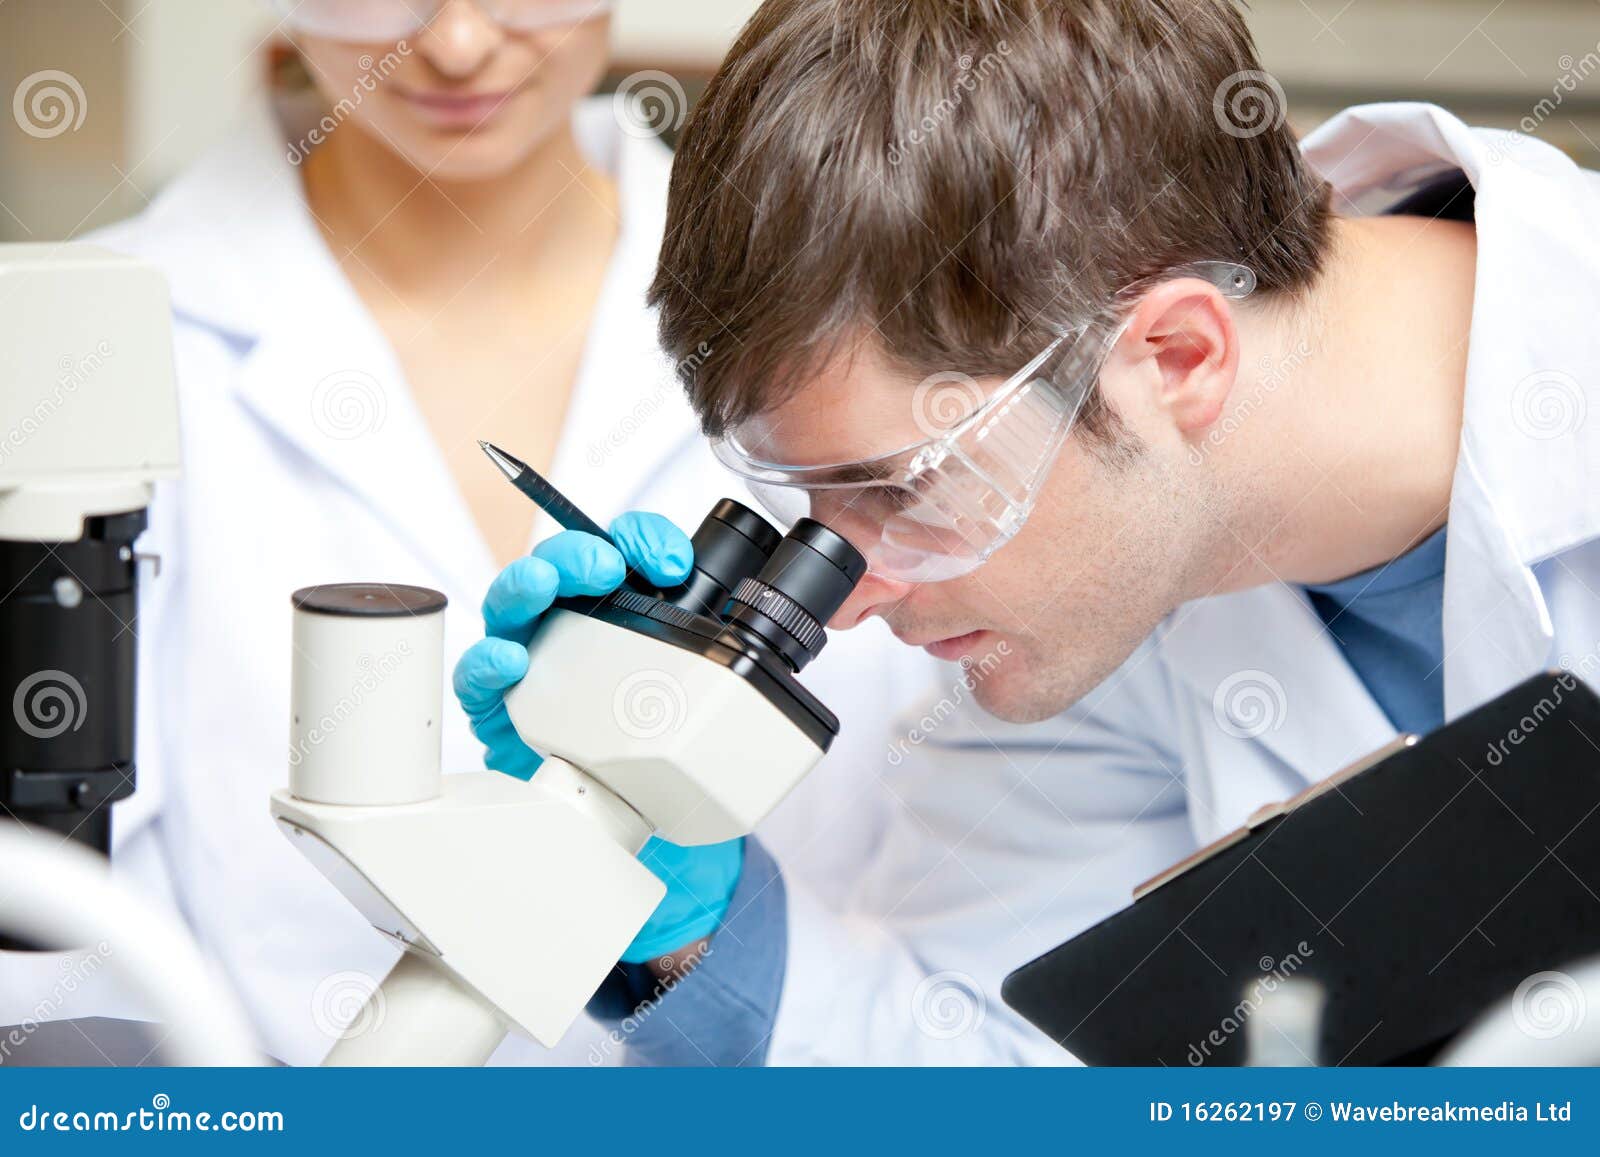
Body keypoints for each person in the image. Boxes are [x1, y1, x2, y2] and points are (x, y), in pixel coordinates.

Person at [455, 0, 1600, 1064]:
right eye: (813, 509)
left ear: (1176, 356)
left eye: (901, 487)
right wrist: (684, 925)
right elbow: (999, 1059)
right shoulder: (1096, 594)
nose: (848, 597)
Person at [0, 0, 931, 1066]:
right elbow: (55, 933)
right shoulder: (79, 340)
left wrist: (693, 938)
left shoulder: (844, 296)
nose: (453, 43)